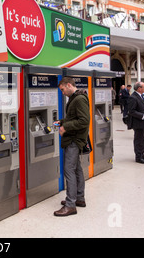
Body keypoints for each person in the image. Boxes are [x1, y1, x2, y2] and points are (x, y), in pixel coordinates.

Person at [53, 77, 90, 217]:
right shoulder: (75, 98)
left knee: (69, 170)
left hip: (74, 140)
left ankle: (70, 205)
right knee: (77, 169)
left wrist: (65, 127)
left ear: (69, 85)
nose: (62, 93)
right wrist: (61, 122)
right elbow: (74, 118)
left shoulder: (79, 99)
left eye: (62, 89)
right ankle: (79, 198)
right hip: (75, 138)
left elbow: (84, 120)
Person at [127, 81, 144, 164]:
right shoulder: (133, 97)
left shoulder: (142, 96)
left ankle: (142, 154)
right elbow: (131, 111)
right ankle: (138, 157)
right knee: (139, 139)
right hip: (138, 123)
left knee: (143, 139)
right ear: (139, 88)